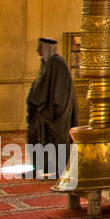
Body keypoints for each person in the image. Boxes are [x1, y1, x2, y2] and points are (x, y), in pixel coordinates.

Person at [26, 37, 76, 179]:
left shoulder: (57, 63)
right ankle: (38, 168)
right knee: (35, 138)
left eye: (40, 47)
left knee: (57, 141)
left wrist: (52, 109)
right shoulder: (46, 64)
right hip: (43, 112)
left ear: (47, 48)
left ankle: (61, 170)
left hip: (56, 114)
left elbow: (60, 91)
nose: (38, 50)